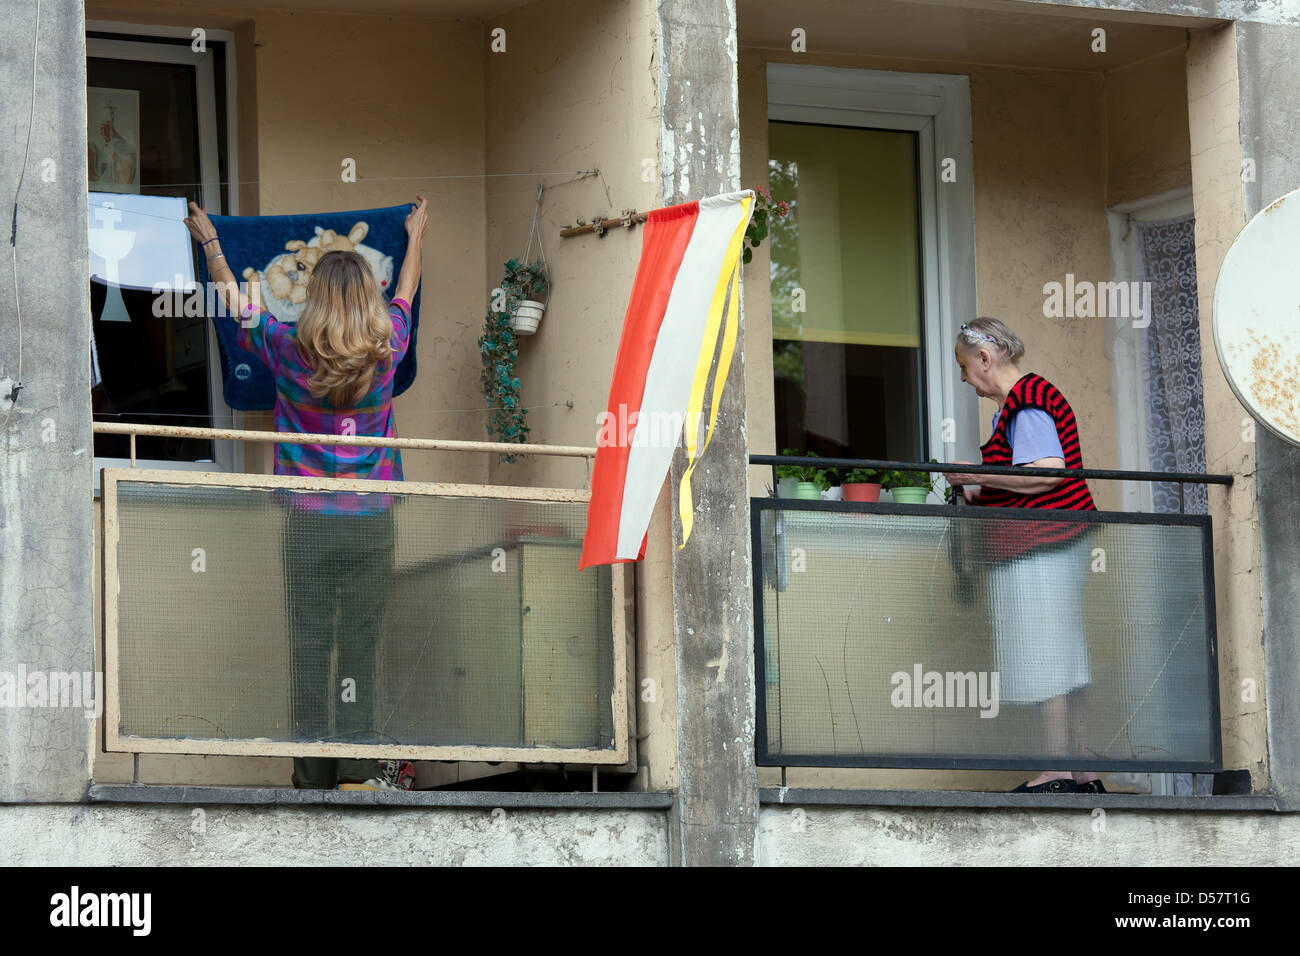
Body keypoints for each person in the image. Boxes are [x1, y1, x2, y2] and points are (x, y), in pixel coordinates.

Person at [183, 196, 429, 791]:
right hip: (371, 521)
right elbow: (408, 291)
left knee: (309, 651)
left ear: (314, 299)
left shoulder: (288, 348)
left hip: (308, 526)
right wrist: (416, 234)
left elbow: (236, 303)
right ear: (367, 298)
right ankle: (355, 773)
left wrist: (211, 243)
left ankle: (310, 777)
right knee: (360, 650)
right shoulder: (388, 347)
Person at [941, 316, 1105, 794]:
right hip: (1054, 543)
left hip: (1043, 546)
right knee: (1066, 658)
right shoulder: (1019, 405)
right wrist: (981, 491)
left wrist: (978, 477)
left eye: (965, 368)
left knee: (1045, 654)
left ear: (985, 360)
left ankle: (1057, 770)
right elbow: (1024, 480)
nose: (966, 380)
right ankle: (1082, 772)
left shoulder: (1027, 402)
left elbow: (1048, 473)